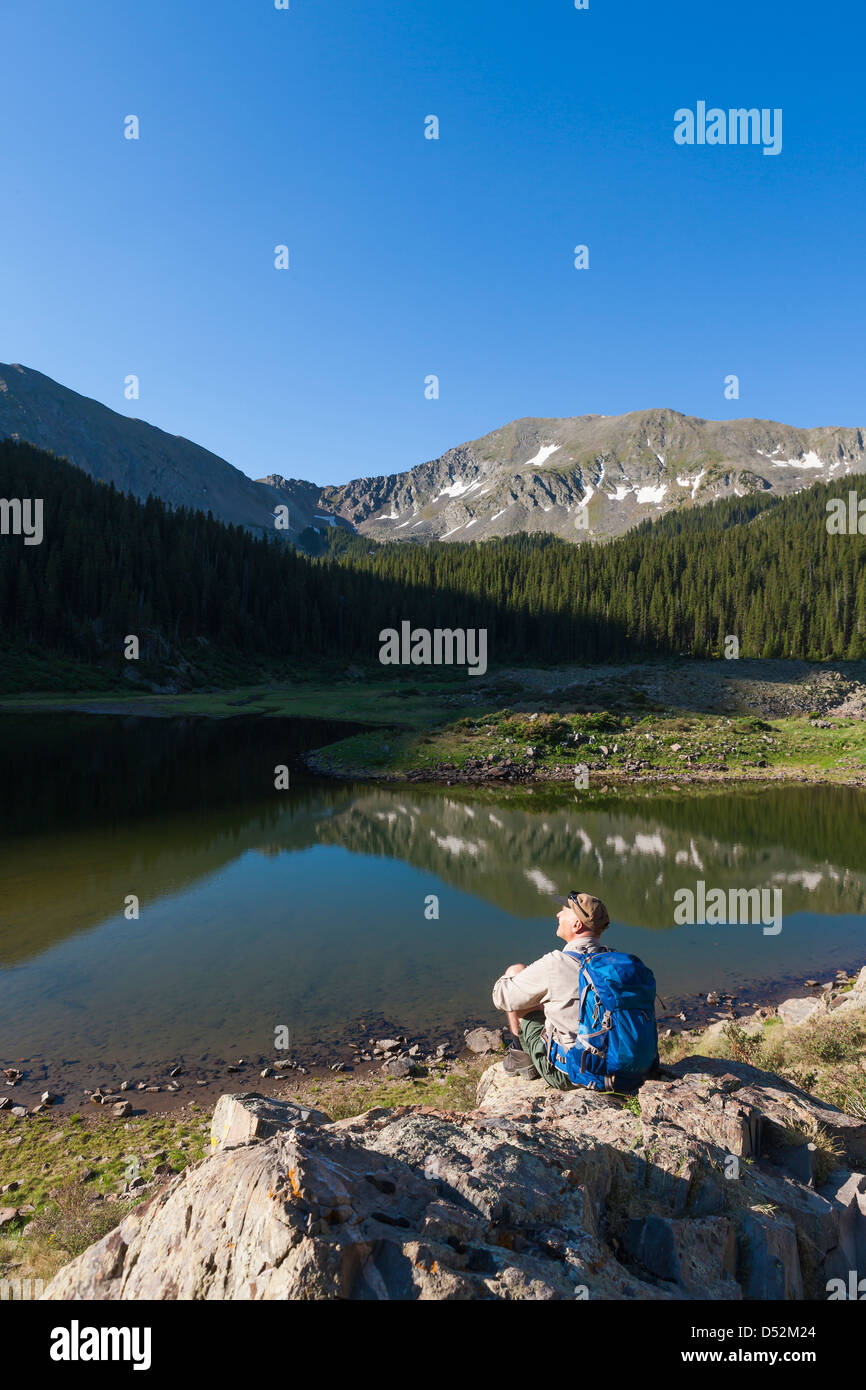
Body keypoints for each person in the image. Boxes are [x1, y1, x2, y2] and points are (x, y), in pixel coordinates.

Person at [492, 891, 657, 1093]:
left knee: (516, 972)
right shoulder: (616, 963)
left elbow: (503, 998)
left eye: (563, 912)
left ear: (576, 925)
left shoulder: (555, 963)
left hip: (572, 1073)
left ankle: (520, 1057)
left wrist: (510, 977)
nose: (557, 915)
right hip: (627, 1068)